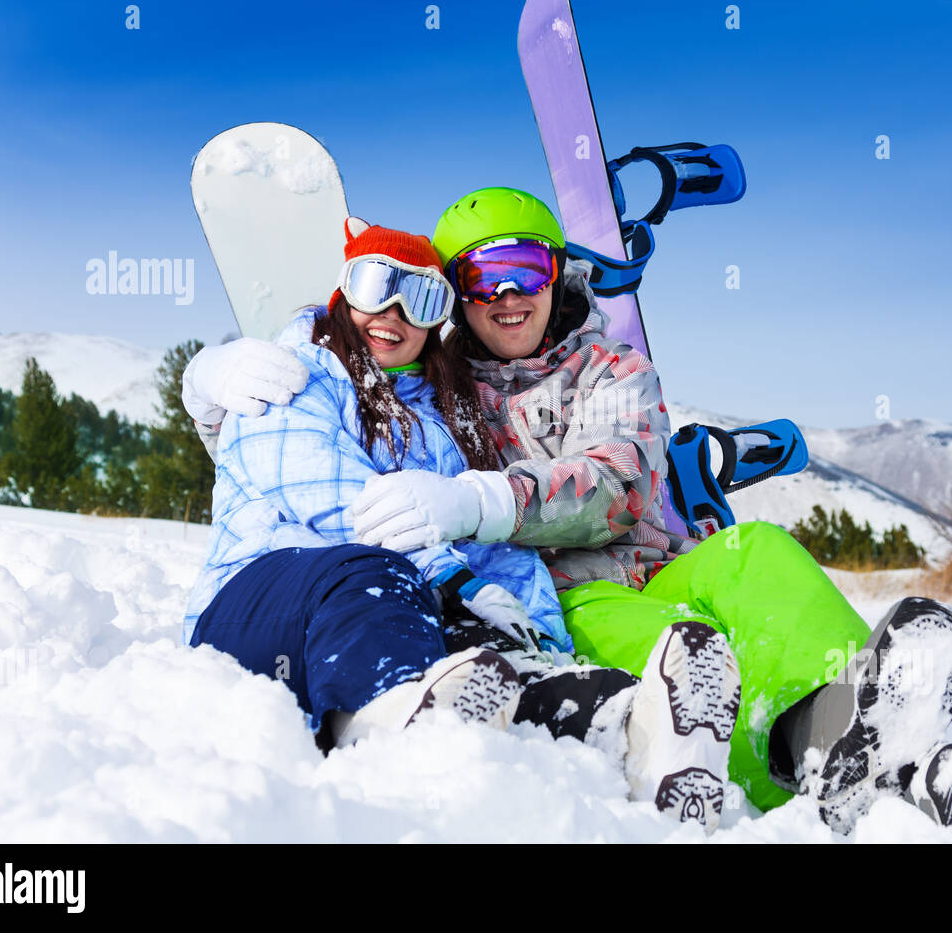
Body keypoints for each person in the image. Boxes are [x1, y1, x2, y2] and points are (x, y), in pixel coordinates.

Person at [184, 192, 952, 837]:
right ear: (453, 294)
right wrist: (211, 389)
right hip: (557, 599)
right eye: (478, 279)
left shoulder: (610, 368)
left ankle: (854, 720)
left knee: (758, 552)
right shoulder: (431, 383)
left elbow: (617, 481)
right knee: (671, 652)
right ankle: (800, 760)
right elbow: (316, 437)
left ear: (556, 274)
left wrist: (483, 498)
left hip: (648, 561)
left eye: (523, 271)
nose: (505, 296)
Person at [183, 217, 742, 832]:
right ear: (344, 292)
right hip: (264, 602)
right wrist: (456, 579)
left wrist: (526, 617)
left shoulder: (441, 419)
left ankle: (629, 735)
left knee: (495, 661)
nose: (393, 311)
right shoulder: (291, 374)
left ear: (437, 319)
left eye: (420, 297)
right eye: (377, 285)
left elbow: (471, 532)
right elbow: (324, 496)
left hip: (399, 608)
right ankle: (391, 728)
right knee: (374, 574)